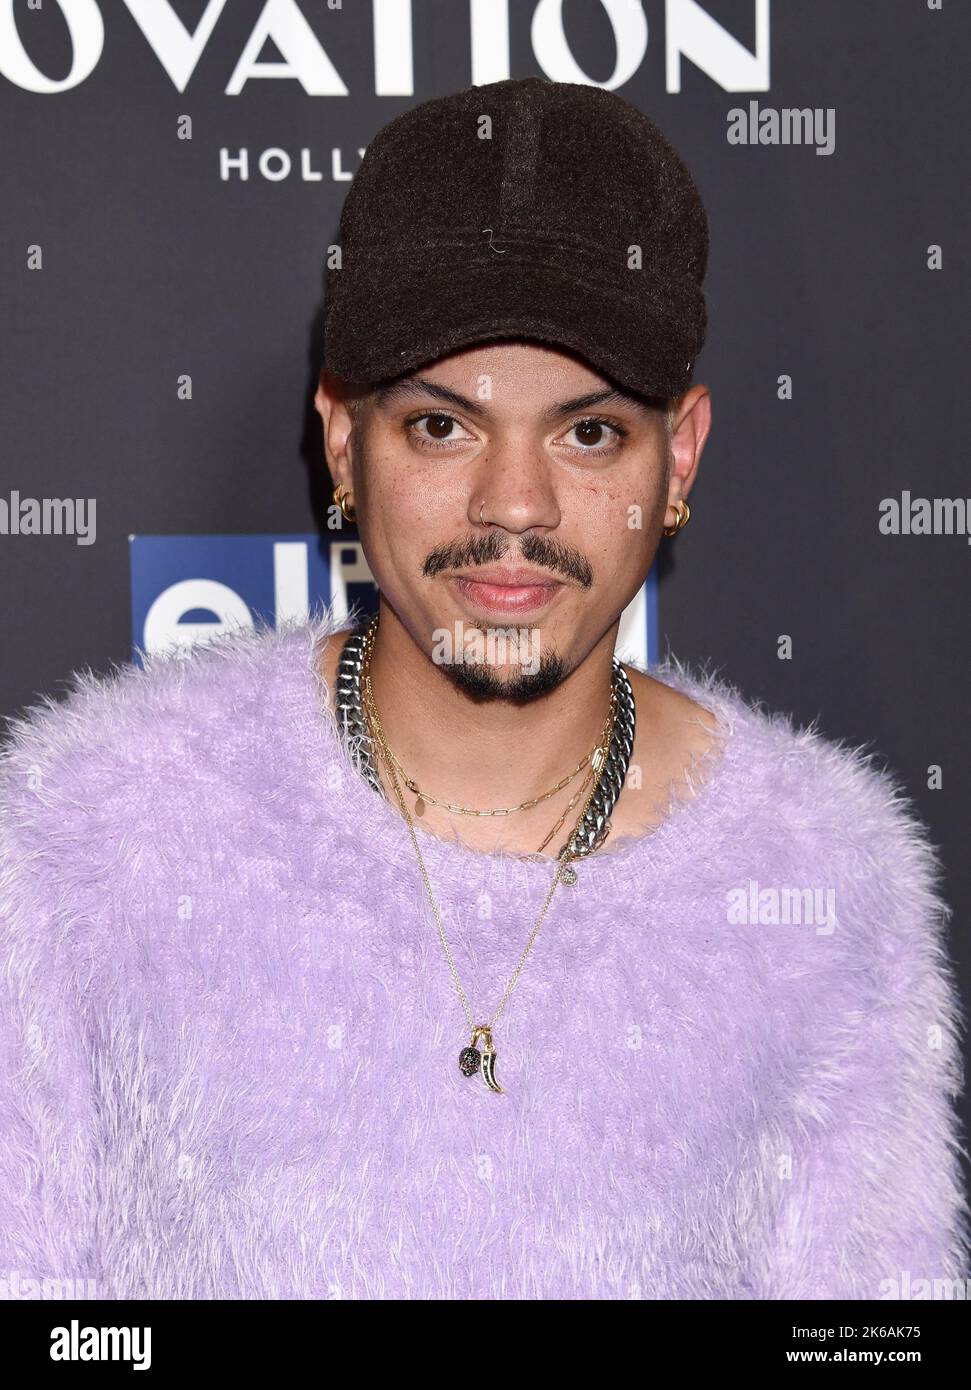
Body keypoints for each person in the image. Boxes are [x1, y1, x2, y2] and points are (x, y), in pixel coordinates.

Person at [0, 77, 967, 1302]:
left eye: (588, 433)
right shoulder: (85, 839)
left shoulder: (824, 882)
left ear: (681, 458)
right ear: (342, 439)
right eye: (442, 429)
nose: (514, 506)